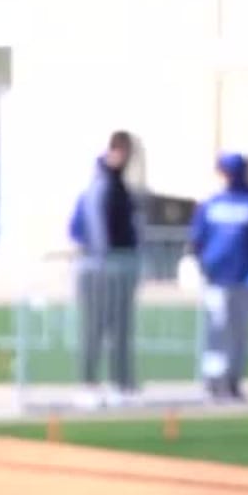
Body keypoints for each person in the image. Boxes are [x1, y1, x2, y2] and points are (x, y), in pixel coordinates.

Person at [187, 153, 248, 402]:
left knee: (239, 331)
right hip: (216, 276)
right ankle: (214, 379)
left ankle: (233, 380)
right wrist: (198, 260)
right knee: (217, 327)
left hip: (244, 277)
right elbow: (198, 235)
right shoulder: (212, 203)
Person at [67, 129, 142, 408]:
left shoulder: (121, 186)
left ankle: (121, 383)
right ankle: (88, 384)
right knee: (95, 327)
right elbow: (96, 227)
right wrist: (104, 258)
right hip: (100, 267)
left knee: (121, 328)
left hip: (120, 266)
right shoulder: (101, 186)